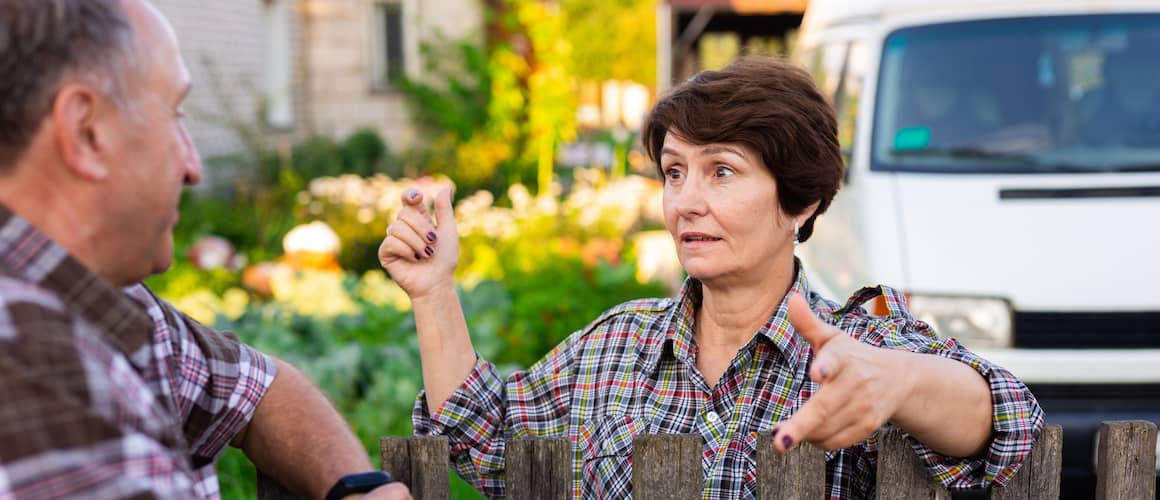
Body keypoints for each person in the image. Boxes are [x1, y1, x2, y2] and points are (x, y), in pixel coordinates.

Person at [379, 57, 1043, 499]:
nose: (685, 201)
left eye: (721, 170)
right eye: (674, 172)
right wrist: (434, 290)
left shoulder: (853, 348)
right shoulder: (615, 346)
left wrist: (898, 381)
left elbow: (1011, 421)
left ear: (801, 199)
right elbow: (485, 438)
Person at [0, 1, 409, 499]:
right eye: (172, 114)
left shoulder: (113, 302)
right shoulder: (38, 378)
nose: (192, 166)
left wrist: (354, 489)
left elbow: (258, 389)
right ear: (86, 132)